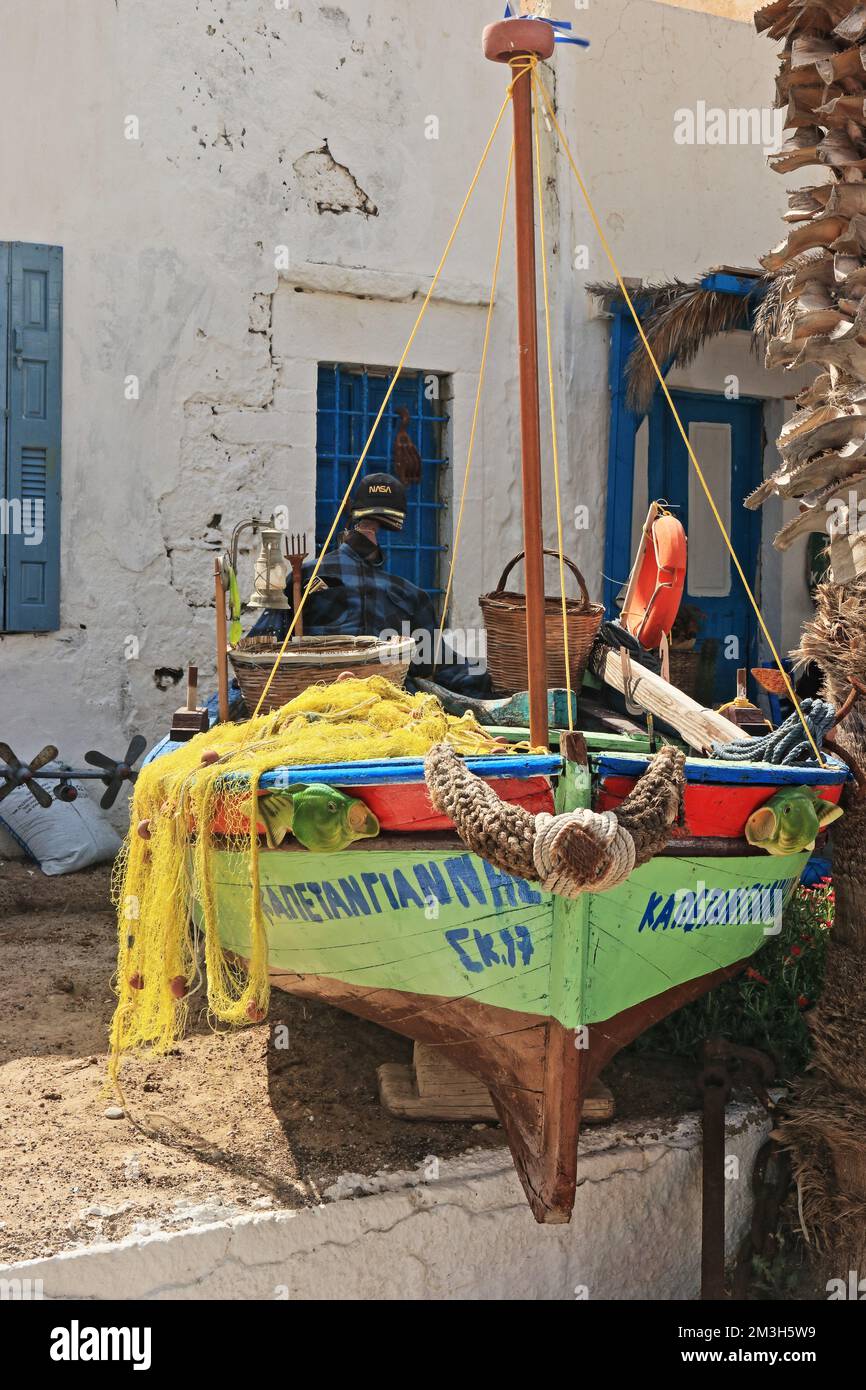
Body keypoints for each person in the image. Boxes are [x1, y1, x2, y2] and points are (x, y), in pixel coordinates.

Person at [249, 473, 490, 695]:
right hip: (385, 710)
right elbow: (438, 664)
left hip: (315, 699)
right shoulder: (409, 595)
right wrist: (490, 681)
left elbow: (259, 651)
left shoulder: (304, 576)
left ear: (350, 518)